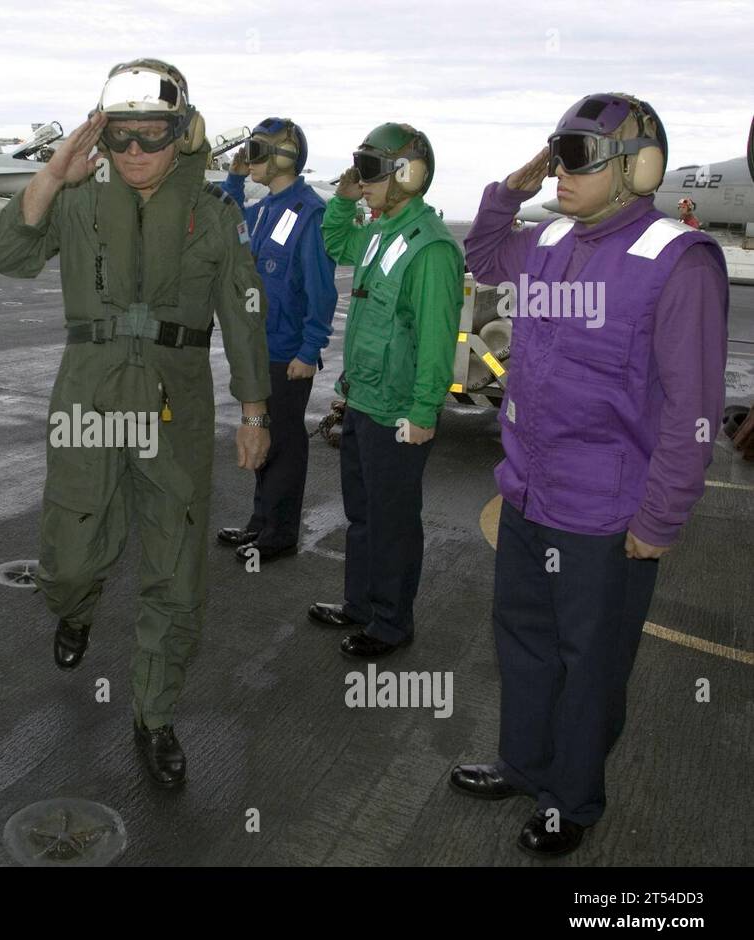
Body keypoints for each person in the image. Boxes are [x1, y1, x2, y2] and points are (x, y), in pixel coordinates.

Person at [456, 93, 728, 857]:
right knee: (524, 643)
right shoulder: (547, 242)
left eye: (576, 157)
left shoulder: (677, 261)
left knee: (591, 666)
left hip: (605, 515)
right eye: (555, 152)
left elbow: (692, 408)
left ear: (637, 169)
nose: (559, 171)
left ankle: (570, 799)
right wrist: (514, 186)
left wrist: (660, 519)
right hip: (529, 493)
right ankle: (524, 761)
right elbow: (482, 254)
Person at [0, 59, 270, 788]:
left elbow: (242, 313)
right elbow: (9, 256)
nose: (138, 152)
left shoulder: (213, 213)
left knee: (175, 568)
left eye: (155, 135)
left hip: (176, 403)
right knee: (73, 551)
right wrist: (53, 174)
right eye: (122, 138)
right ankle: (73, 609)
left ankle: (154, 715)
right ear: (101, 137)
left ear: (182, 134)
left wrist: (255, 411)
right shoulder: (80, 201)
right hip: (91, 394)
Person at [307, 123, 463, 659]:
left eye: (372, 171)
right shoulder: (378, 231)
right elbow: (335, 242)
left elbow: (437, 341)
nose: (363, 180)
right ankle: (360, 604)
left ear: (408, 174)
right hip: (363, 401)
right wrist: (343, 200)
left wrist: (425, 411)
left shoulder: (432, 248)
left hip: (397, 411)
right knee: (363, 515)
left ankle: (391, 623)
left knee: (393, 522)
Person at [216, 118, 337, 564]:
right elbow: (231, 223)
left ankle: (279, 533)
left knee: (283, 443)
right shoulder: (266, 208)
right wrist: (233, 177)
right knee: (264, 437)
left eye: (256, 153)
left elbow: (321, 290)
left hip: (287, 353)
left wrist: (310, 350)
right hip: (262, 347)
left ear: (281, 158)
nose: (250, 161)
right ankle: (260, 521)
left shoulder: (308, 212)